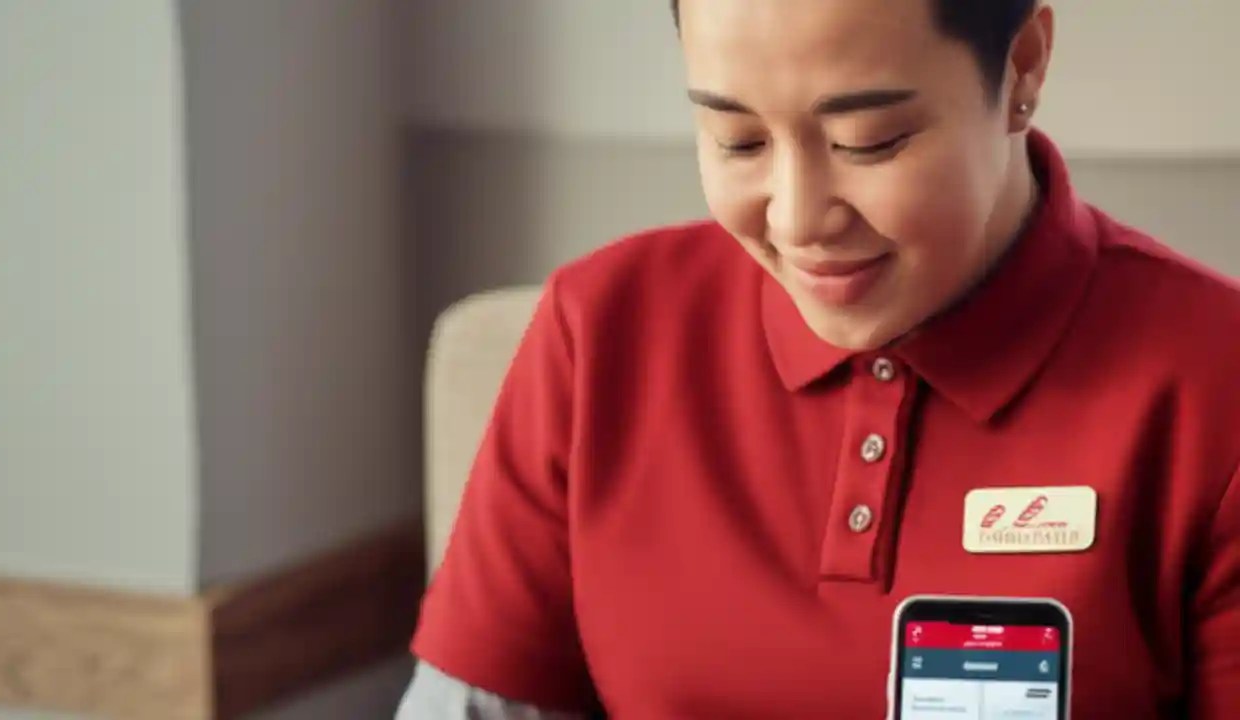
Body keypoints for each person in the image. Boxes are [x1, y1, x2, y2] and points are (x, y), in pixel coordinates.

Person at [398, 0, 1240, 717]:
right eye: (737, 140)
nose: (799, 220)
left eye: (869, 142)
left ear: (1022, 67)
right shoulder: (600, 332)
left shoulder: (1211, 380)